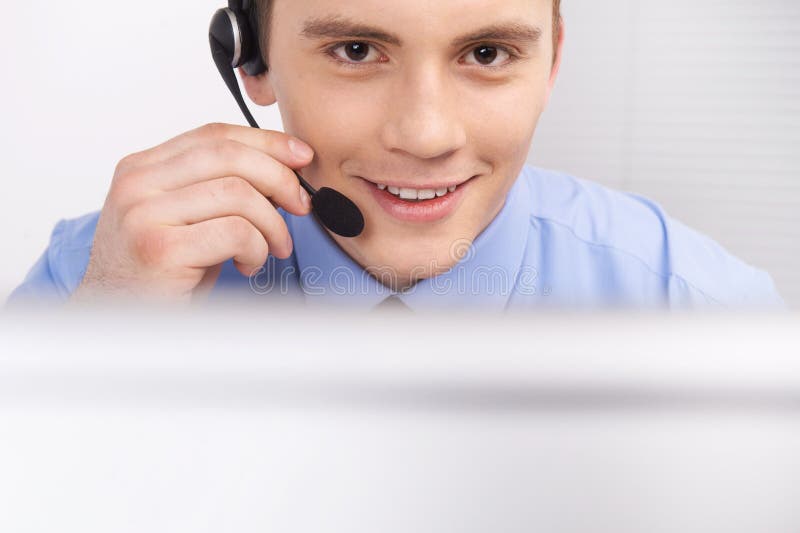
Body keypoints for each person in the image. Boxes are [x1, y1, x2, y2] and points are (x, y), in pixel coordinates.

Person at [6, 0, 786, 311]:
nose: (425, 133)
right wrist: (103, 348)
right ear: (254, 63)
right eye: (355, 50)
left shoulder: (704, 310)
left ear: (550, 65)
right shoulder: (100, 279)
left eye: (485, 53)